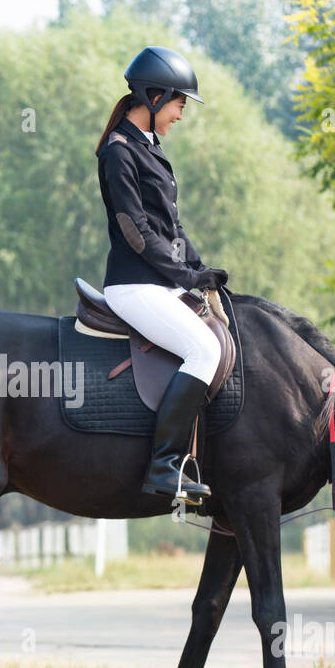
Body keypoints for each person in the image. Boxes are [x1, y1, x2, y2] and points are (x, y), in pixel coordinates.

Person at [95, 45, 229, 503]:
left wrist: (199, 269)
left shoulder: (147, 149)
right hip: (135, 286)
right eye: (179, 104)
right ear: (154, 97)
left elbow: (171, 227)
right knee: (203, 350)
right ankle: (164, 465)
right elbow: (135, 232)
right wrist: (184, 276)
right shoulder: (118, 152)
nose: (181, 114)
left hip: (162, 281)